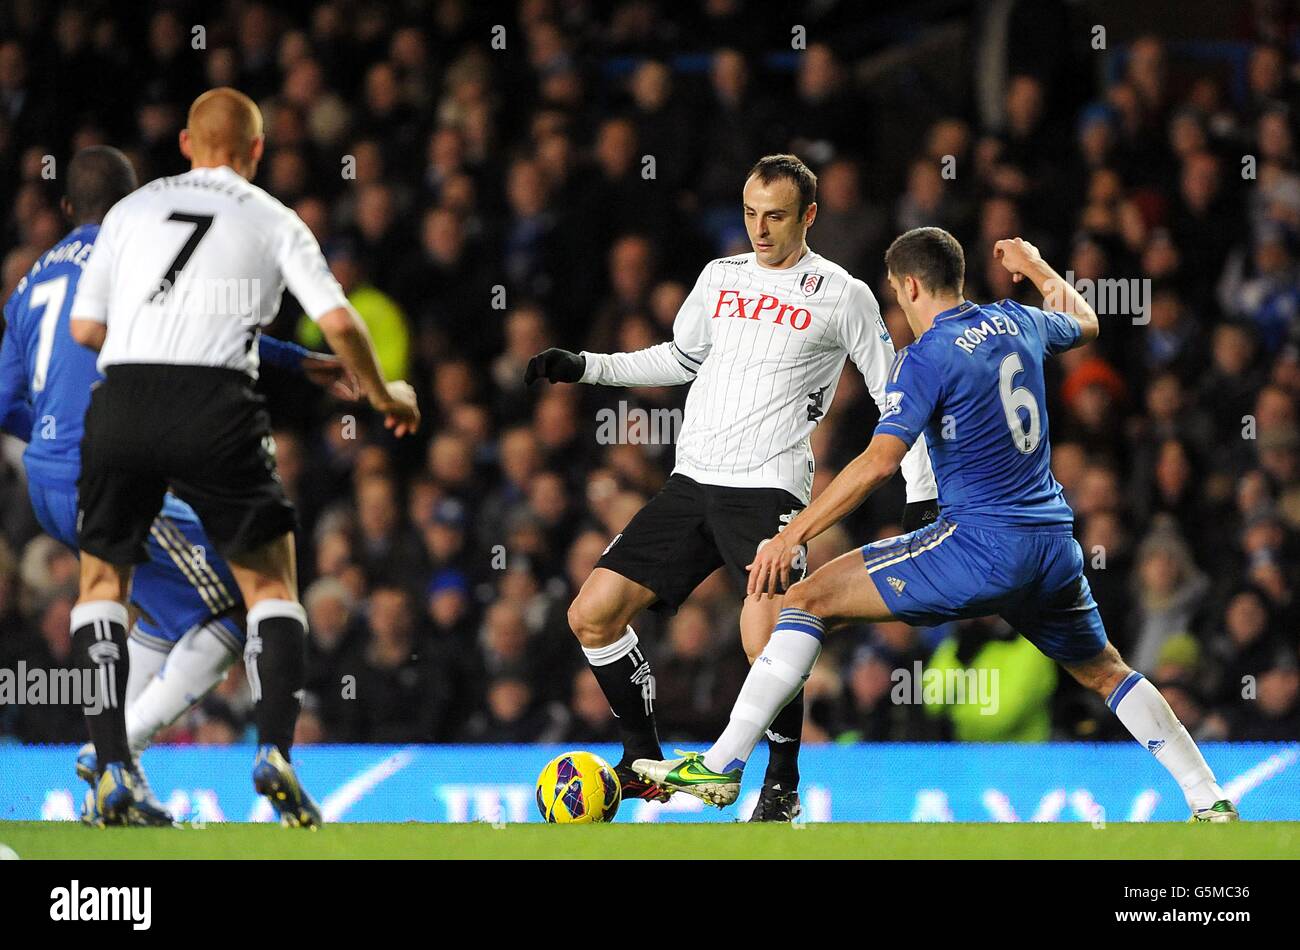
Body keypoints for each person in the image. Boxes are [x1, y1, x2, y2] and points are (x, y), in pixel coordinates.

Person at [635, 227, 1238, 823]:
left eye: (898, 295)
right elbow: (1088, 322)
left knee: (806, 599)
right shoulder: (1017, 320)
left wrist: (793, 534)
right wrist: (1034, 264)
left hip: (979, 544)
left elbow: (878, 462)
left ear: (911, 285)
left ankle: (722, 764)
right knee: (1106, 670)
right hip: (1053, 543)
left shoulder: (925, 357)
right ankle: (1208, 797)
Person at [526, 155, 938, 820]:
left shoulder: (843, 293)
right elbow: (680, 358)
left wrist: (920, 491)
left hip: (769, 491)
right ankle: (640, 760)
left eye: (775, 215)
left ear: (808, 215)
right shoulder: (720, 276)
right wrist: (587, 366)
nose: (760, 228)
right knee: (591, 614)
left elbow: (897, 396)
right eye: (750, 213)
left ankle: (780, 787)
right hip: (691, 483)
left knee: (768, 641)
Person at [64, 88, 419, 827]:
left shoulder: (131, 211)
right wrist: (383, 396)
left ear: (189, 144)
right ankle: (276, 752)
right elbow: (339, 319)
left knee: (102, 580)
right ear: (256, 151)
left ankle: (108, 769)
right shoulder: (270, 216)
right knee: (269, 583)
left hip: (122, 400)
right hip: (218, 408)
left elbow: (89, 328)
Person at [0, 145, 360, 824]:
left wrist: (48, 436)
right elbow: (214, 335)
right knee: (232, 600)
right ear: (138, 198)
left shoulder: (29, 281)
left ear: (69, 208)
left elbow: (3, 401)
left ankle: (116, 775)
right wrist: (303, 362)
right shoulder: (140, 250)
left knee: (161, 608)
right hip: (106, 459)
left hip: (46, 476)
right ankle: (113, 755)